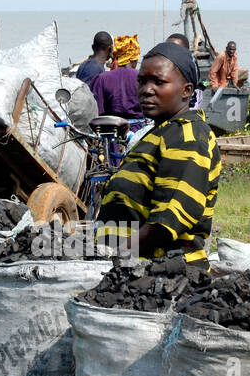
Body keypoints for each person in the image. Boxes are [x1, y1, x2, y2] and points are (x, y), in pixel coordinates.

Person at [95, 41, 220, 267]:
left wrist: (119, 254)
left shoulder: (188, 135)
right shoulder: (161, 132)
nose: (146, 89)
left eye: (159, 82)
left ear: (187, 90)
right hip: (136, 268)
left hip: (164, 274)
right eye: (142, 81)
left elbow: (168, 220)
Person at [90, 34, 141, 118]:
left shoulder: (101, 79)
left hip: (111, 128)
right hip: (142, 128)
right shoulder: (143, 78)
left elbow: (95, 110)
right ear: (134, 59)